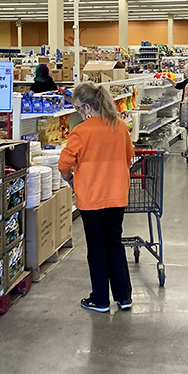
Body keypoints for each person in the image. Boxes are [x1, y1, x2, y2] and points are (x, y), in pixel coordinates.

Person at [58, 82, 135, 313]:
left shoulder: (81, 131)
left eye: (79, 109)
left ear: (88, 107)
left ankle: (100, 299)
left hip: (91, 197)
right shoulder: (119, 126)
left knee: (97, 247)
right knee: (115, 243)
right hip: (117, 196)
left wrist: (69, 178)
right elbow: (129, 155)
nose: (79, 114)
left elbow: (64, 163)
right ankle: (124, 297)